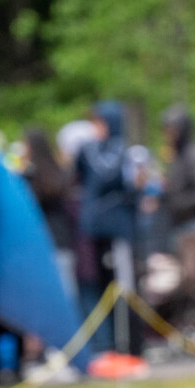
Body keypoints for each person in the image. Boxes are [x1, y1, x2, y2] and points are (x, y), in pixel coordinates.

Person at [76, 101, 140, 354]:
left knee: (124, 286)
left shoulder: (127, 153)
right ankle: (111, 344)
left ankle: (129, 345)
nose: (96, 128)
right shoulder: (89, 150)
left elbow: (129, 187)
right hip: (96, 230)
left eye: (100, 123)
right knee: (103, 287)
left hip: (119, 233)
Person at [160, 106, 195, 334]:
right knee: (183, 279)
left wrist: (178, 202)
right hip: (180, 226)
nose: (168, 133)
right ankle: (188, 326)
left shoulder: (193, 154)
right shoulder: (177, 155)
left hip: (193, 226)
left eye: (171, 128)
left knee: (193, 279)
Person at [22, 125, 78, 302]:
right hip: (62, 241)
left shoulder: (30, 177)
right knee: (66, 296)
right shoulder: (60, 173)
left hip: (42, 244)